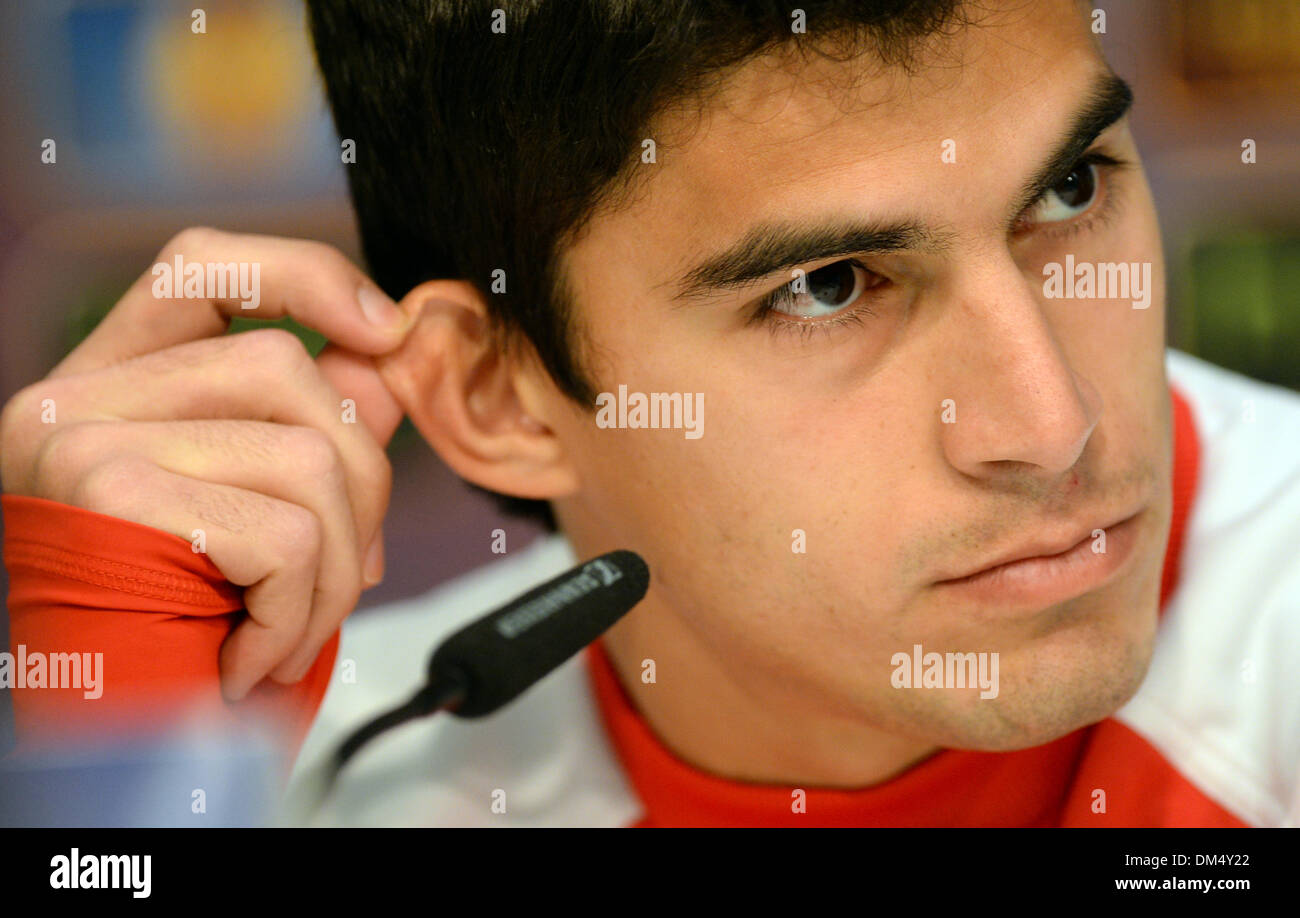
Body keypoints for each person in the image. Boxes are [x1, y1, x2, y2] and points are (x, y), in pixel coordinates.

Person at [2, 0, 1297, 826]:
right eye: (829, 286)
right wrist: (121, 801)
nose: (1054, 420)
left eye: (1070, 192)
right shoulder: (317, 775)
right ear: (495, 395)